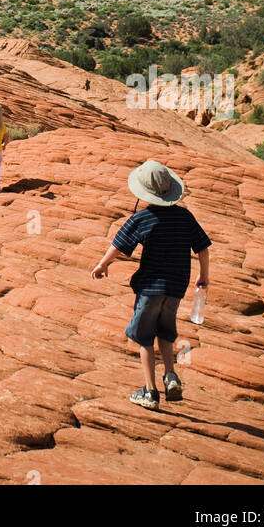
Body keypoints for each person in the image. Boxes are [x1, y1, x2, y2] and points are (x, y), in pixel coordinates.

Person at [90, 159, 211, 411]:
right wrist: (204, 276)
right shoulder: (185, 217)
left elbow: (119, 244)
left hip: (150, 288)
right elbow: (203, 248)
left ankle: (150, 391)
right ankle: (170, 375)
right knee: (165, 332)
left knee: (144, 337)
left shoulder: (143, 218)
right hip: (176, 287)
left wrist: (102, 265)